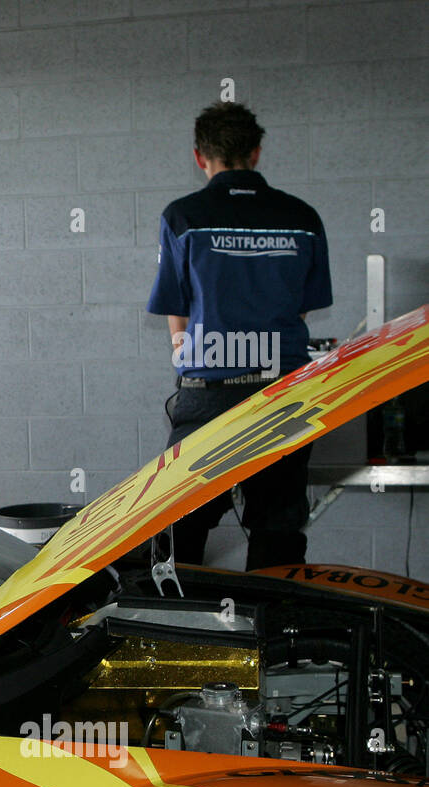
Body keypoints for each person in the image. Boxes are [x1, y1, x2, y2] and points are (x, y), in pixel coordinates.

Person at [147, 102, 331, 570]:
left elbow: (177, 305)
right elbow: (302, 305)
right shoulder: (302, 217)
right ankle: (275, 636)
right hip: (285, 392)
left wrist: (184, 353)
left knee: (179, 523)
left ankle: (180, 633)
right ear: (256, 151)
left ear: (198, 156)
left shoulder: (183, 217)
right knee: (278, 526)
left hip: (208, 394)